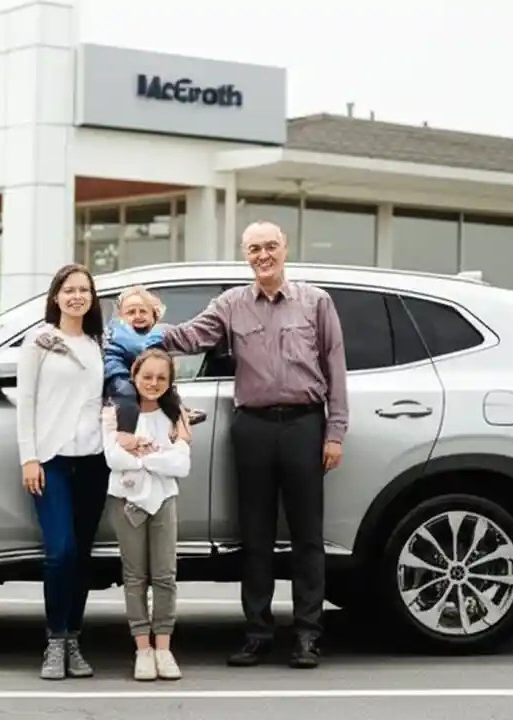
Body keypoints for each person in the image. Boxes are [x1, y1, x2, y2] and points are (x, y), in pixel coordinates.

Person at [154, 220, 348, 669]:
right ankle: (257, 633)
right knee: (254, 535)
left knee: (307, 537)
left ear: (285, 249)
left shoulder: (316, 303)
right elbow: (189, 337)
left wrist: (334, 432)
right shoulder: (231, 305)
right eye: (254, 248)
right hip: (252, 427)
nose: (263, 255)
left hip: (304, 425)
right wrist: (135, 332)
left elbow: (335, 370)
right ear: (246, 254)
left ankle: (307, 635)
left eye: (271, 247)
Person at [16, 262, 109, 680]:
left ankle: (74, 639)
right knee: (61, 551)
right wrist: (29, 457)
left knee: (82, 556)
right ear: (56, 297)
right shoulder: (39, 342)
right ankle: (54, 641)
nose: (76, 296)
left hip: (93, 459)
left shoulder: (98, 344)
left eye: (84, 291)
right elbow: (26, 403)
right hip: (50, 459)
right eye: (69, 290)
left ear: (92, 299)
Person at [101, 347, 192, 681]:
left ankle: (164, 647)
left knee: (165, 575)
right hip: (126, 500)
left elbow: (181, 464)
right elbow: (114, 458)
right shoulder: (116, 412)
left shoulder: (174, 414)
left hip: (163, 500)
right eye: (147, 376)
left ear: (170, 382)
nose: (153, 383)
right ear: (134, 375)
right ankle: (143, 648)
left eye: (161, 378)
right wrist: (158, 455)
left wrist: (142, 453)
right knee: (135, 575)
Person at [103, 285, 166, 437]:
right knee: (127, 397)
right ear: (121, 316)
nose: (137, 315)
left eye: (143, 311)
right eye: (131, 312)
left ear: (154, 315)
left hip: (135, 376)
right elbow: (137, 349)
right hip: (117, 373)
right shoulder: (119, 329)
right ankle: (126, 435)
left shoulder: (153, 333)